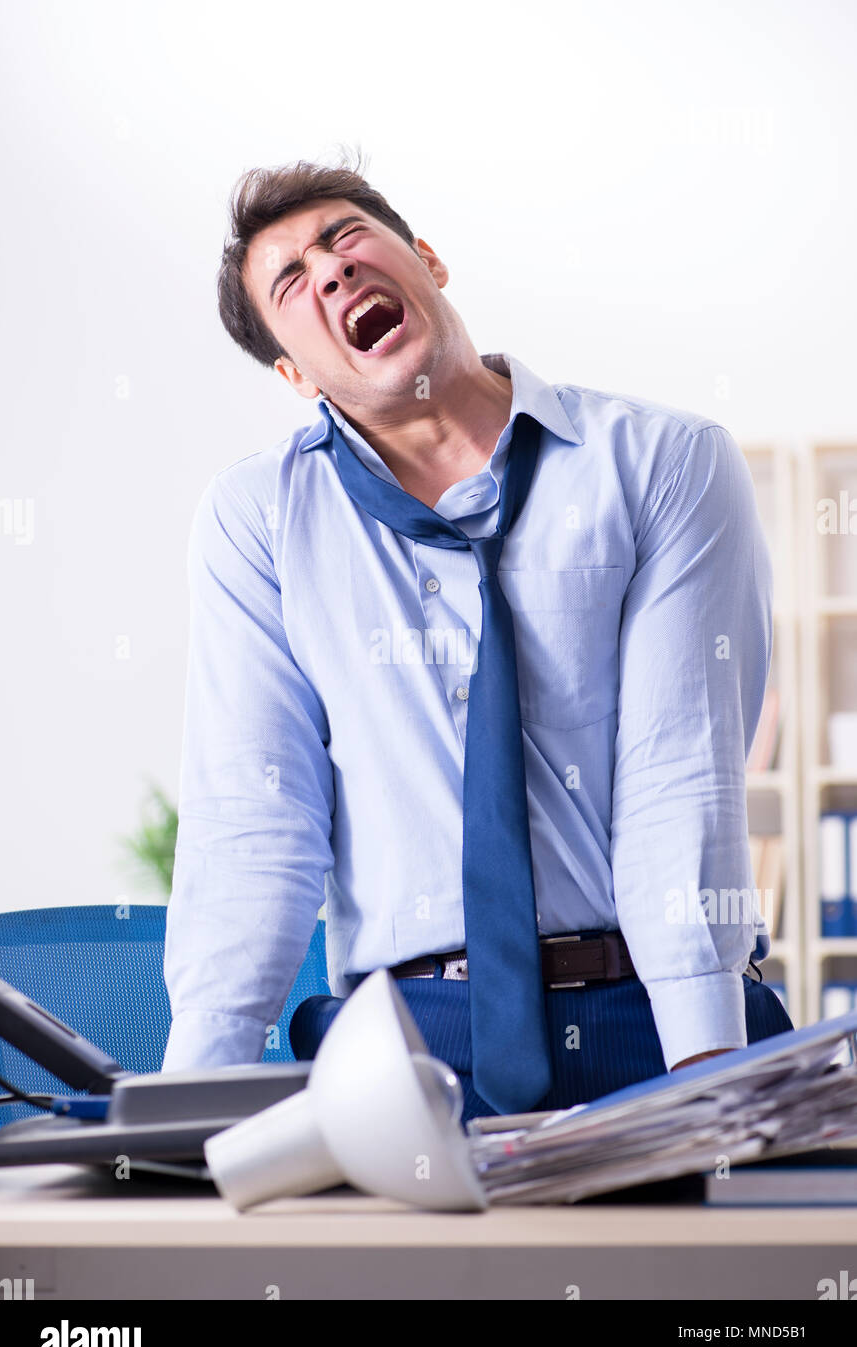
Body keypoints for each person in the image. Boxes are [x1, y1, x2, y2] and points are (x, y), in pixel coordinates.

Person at [161, 153, 793, 1123]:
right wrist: (182, 1121)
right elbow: (256, 821)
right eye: (292, 281)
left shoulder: (666, 464)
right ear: (292, 373)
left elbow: (680, 779)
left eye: (346, 238)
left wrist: (707, 1084)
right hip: (404, 1050)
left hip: (650, 1024)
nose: (330, 271)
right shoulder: (261, 519)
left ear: (428, 259)